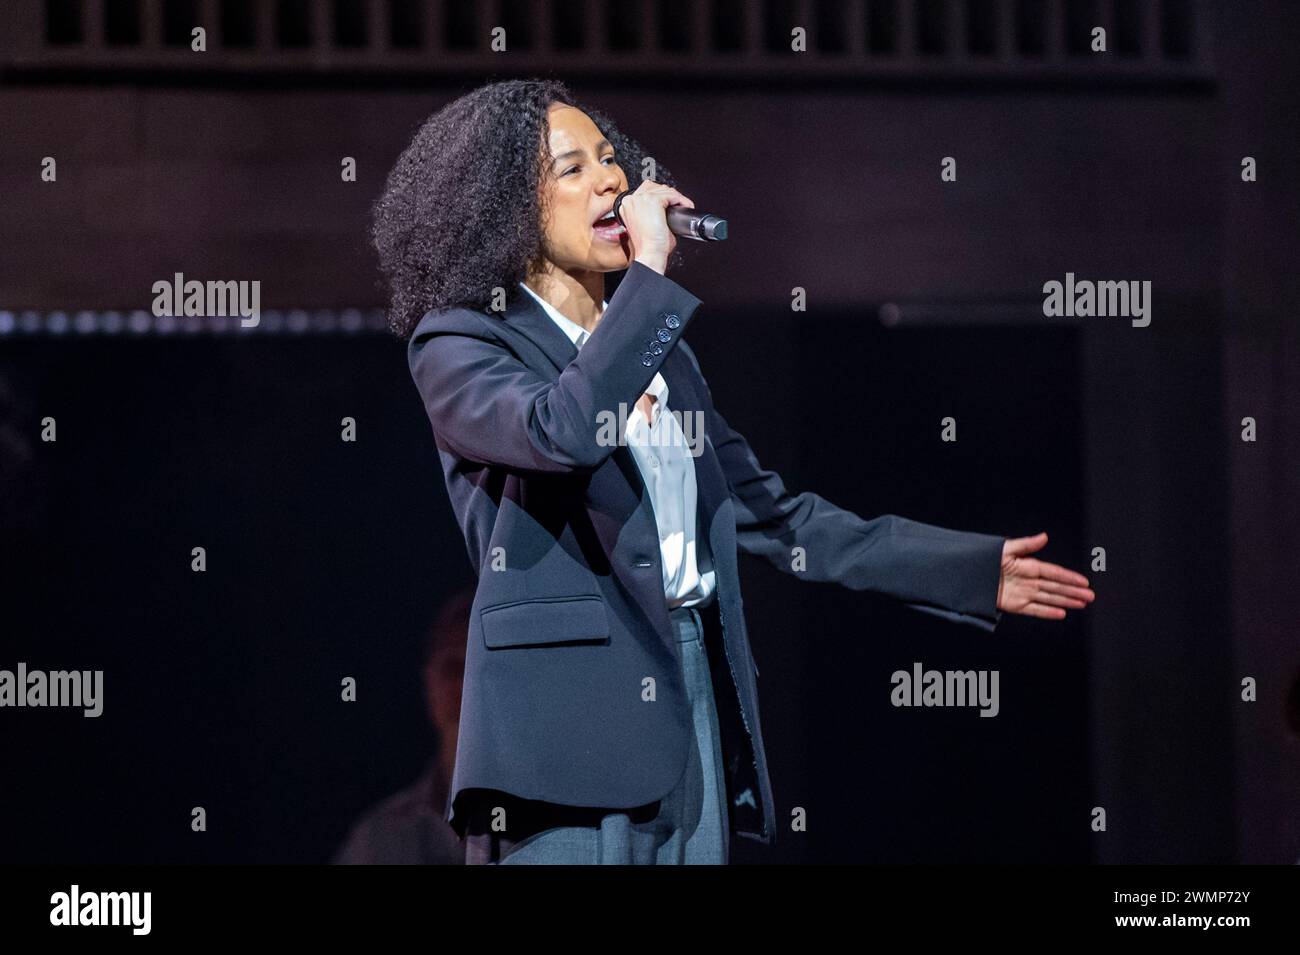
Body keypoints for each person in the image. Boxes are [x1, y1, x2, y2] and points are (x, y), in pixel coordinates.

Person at [372, 78, 1096, 864]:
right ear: (505, 206)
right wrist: (649, 269)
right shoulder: (462, 344)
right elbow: (561, 431)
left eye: (612, 160)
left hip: (688, 692)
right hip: (560, 732)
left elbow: (778, 518)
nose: (613, 180)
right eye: (574, 169)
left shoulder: (664, 357)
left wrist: (964, 572)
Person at [331, 590, 470, 865]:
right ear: (429, 682)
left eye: (482, 668)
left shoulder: (550, 827)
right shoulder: (380, 838)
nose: (467, 687)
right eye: (453, 667)